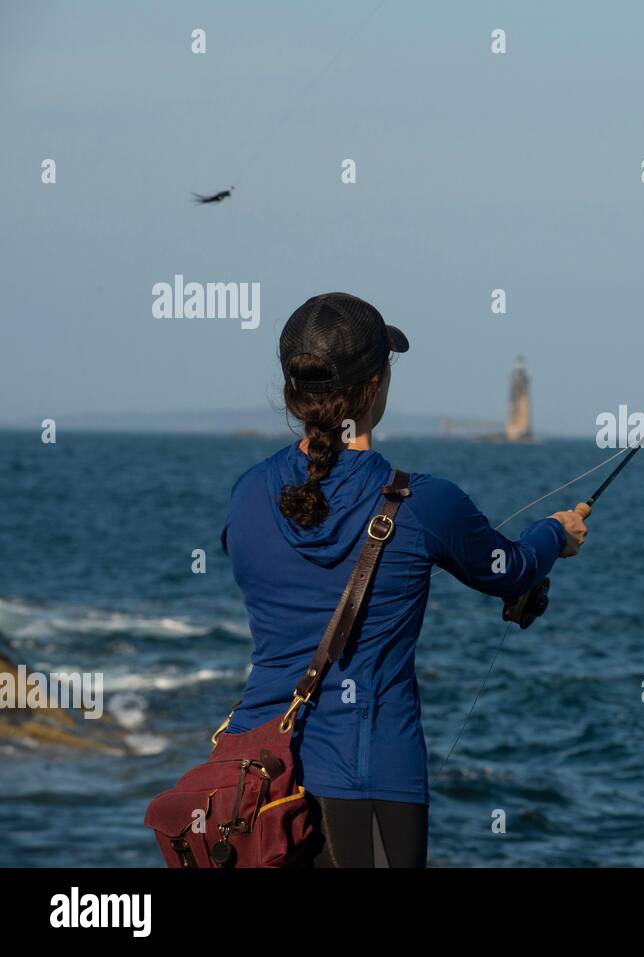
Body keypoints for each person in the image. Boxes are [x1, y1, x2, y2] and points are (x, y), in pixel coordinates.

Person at [220, 292, 587, 867]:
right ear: (375, 386)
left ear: (293, 390)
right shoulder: (421, 503)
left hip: (253, 777)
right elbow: (510, 568)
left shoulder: (246, 494)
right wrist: (555, 533)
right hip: (367, 778)